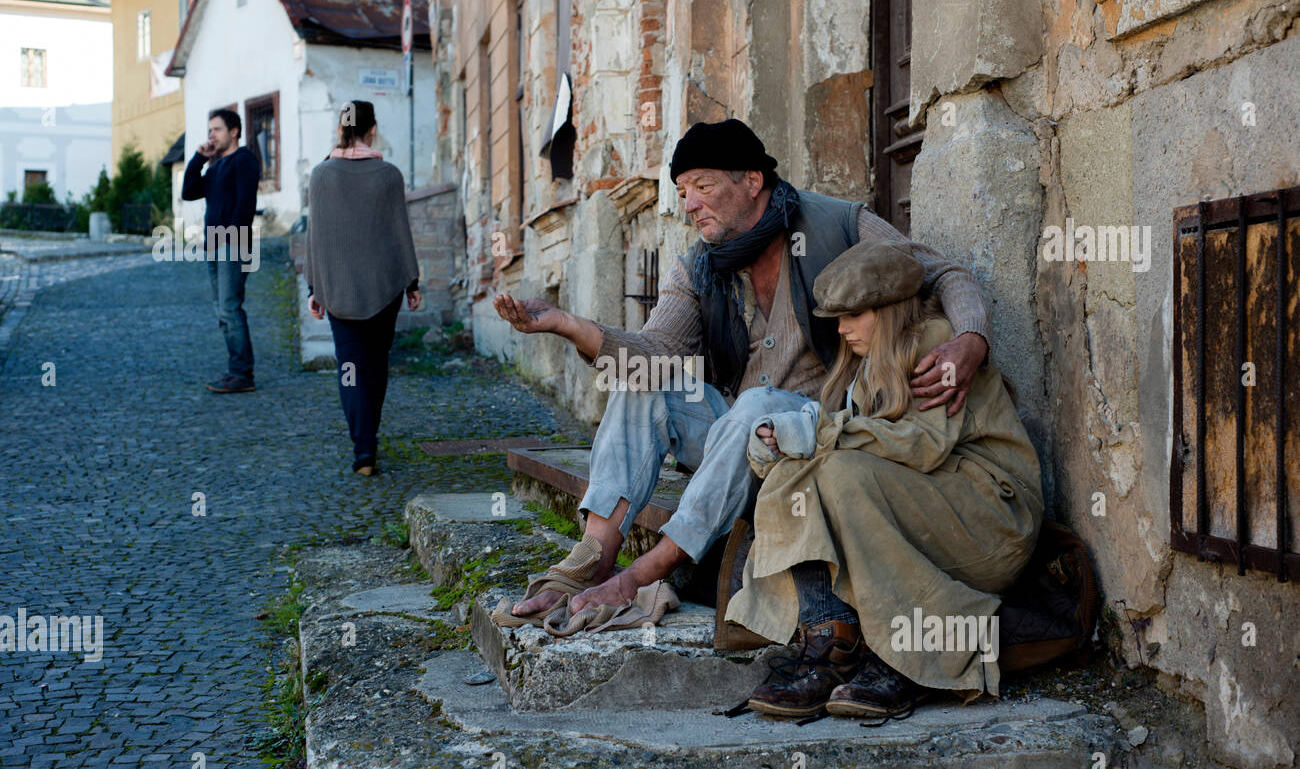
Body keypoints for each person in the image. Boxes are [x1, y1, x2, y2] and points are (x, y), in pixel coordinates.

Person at [492, 118, 993, 631]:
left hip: (821, 438)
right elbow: (655, 353)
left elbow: (945, 272)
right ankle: (594, 556)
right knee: (645, 385)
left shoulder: (839, 226)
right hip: (738, 437)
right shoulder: (700, 266)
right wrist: (566, 324)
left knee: (755, 406)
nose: (689, 204)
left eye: (703, 186)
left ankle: (650, 570)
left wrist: (970, 338)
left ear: (752, 181)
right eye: (683, 191)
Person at [733, 239, 1043, 718]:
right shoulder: (865, 361)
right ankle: (831, 642)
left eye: (853, 316)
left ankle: (904, 654)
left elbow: (922, 445)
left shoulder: (934, 342)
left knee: (833, 469)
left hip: (993, 520)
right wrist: (775, 445)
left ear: (889, 309)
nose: (841, 329)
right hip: (940, 508)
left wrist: (820, 430)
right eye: (836, 318)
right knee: (799, 472)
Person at [304, 100, 421, 476]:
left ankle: (363, 450)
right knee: (375, 364)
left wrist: (314, 288)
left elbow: (315, 239)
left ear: (341, 129)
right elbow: (399, 231)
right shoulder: (389, 175)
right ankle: (368, 439)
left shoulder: (321, 175)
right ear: (373, 129)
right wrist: (411, 283)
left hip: (338, 289)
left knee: (349, 366)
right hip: (383, 288)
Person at [182, 108, 261, 393]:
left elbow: (245, 207)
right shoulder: (215, 166)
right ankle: (236, 370)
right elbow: (189, 191)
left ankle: (242, 373)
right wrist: (199, 158)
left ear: (234, 131)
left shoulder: (244, 160)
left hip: (232, 243)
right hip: (214, 243)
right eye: (209, 130)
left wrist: (233, 240)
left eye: (216, 129)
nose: (212, 135)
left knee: (230, 308)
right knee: (222, 310)